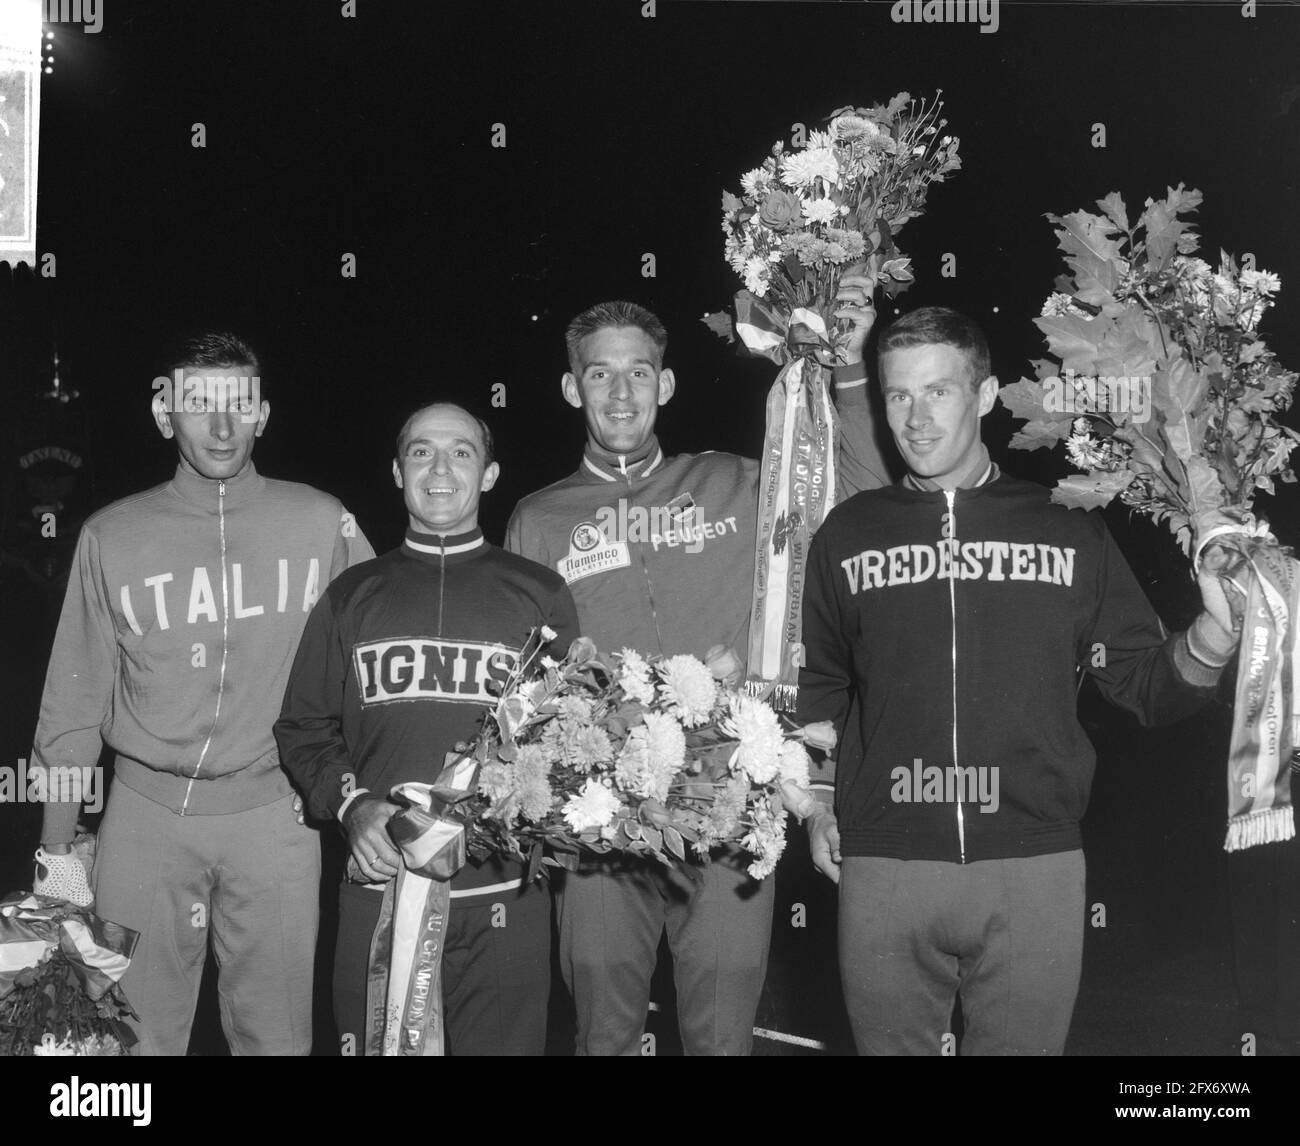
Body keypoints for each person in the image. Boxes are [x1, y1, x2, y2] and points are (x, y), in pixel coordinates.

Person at [797, 305, 1243, 1056]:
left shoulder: (1064, 525)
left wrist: (1215, 638)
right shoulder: (848, 533)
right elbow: (823, 689)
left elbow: (1138, 680)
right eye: (897, 394)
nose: (916, 417)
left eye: (938, 391)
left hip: (1032, 864)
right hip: (884, 864)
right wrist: (813, 802)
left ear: (984, 394)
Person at [504, 291, 892, 1056]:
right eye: (600, 375)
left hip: (729, 809)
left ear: (666, 385)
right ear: (570, 387)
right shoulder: (539, 517)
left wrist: (846, 370)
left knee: (721, 1036)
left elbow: (858, 494)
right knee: (604, 1034)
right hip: (600, 823)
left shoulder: (733, 483)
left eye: (639, 374)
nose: (621, 394)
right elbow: (529, 678)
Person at [30, 330, 374, 1055]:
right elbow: (72, 711)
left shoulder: (321, 521)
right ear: (165, 415)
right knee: (131, 1039)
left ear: (264, 414)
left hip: (277, 820)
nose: (221, 426)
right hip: (145, 823)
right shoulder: (110, 536)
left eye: (238, 404)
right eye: (199, 404)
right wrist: (59, 862)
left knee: (277, 1037)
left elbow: (376, 667)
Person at [275, 402, 579, 1056]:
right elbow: (302, 726)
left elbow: (572, 741)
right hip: (379, 888)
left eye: (461, 452)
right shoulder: (351, 593)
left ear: (490, 473)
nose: (440, 468)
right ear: (396, 470)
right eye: (421, 451)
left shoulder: (542, 594)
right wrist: (353, 807)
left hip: (507, 900)